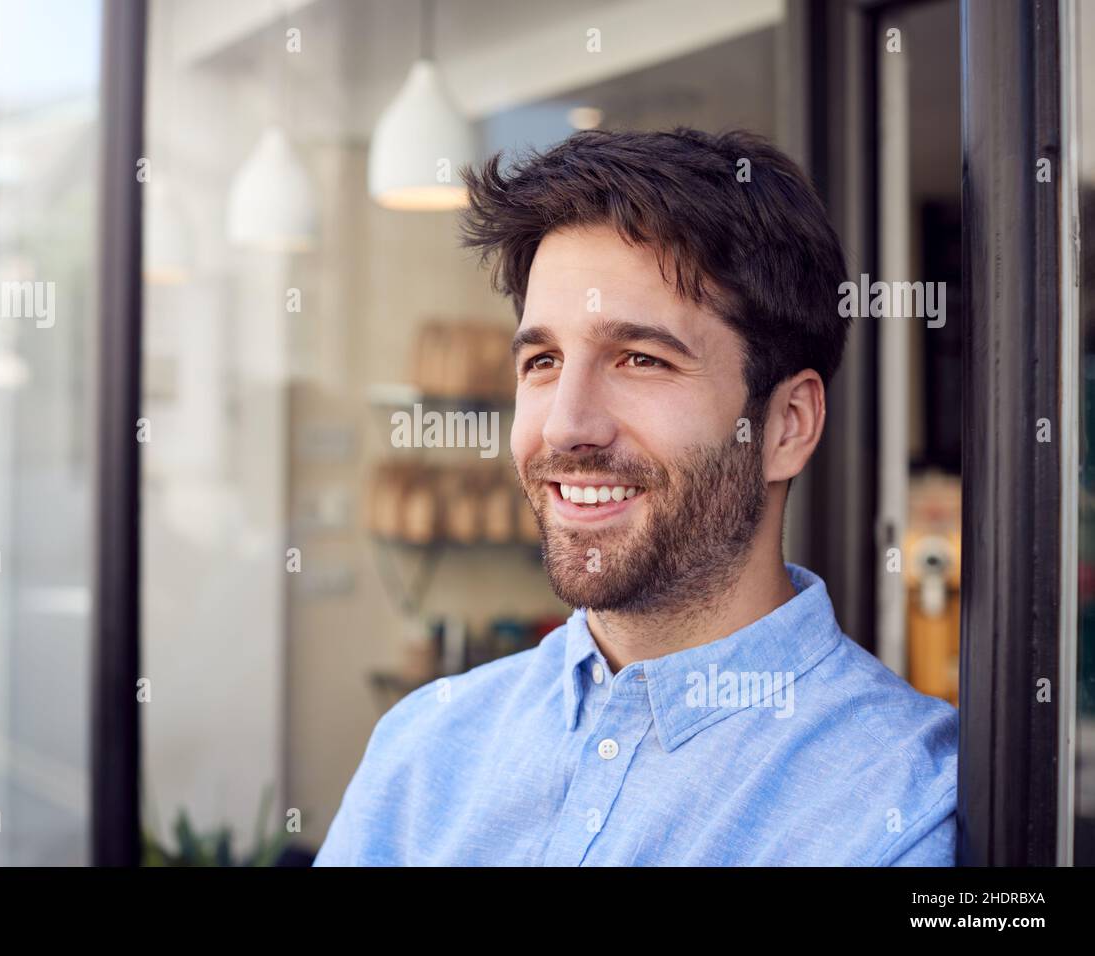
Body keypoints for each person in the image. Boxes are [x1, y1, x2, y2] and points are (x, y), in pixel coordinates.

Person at [314, 128, 957, 866]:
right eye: (543, 361)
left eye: (640, 359)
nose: (566, 424)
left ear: (787, 424)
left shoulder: (900, 807)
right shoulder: (423, 749)